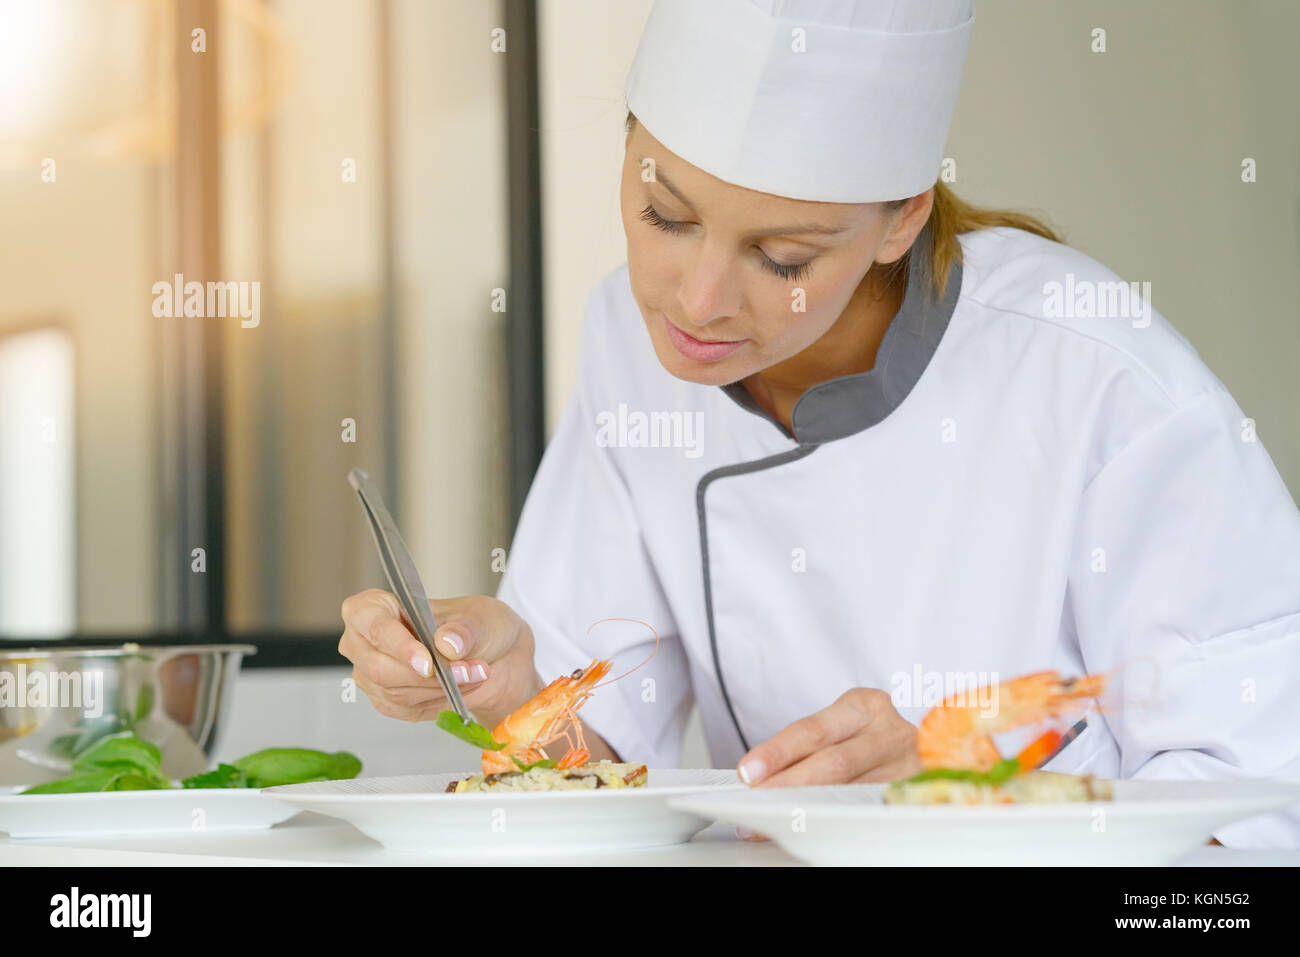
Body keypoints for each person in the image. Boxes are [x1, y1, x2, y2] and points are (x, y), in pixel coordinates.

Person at [339, 0, 1300, 847]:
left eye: (784, 257)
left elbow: (1254, 837)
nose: (698, 301)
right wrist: (503, 686)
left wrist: (967, 806)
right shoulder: (626, 343)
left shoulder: (1101, 376)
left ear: (901, 220)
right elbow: (594, 757)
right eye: (663, 214)